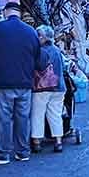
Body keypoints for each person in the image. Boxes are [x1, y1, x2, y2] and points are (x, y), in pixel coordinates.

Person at [0, 2, 40, 165]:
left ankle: (1, 154)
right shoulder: (31, 31)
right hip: (25, 82)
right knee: (23, 118)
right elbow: (38, 58)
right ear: (19, 13)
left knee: (2, 118)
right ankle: (22, 152)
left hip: (2, 81)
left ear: (5, 12)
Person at [30, 25, 66, 154]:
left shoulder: (39, 51)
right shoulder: (57, 50)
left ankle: (37, 142)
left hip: (41, 87)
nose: (37, 38)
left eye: (39, 35)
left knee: (37, 114)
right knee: (55, 114)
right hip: (59, 87)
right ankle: (58, 141)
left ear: (44, 37)